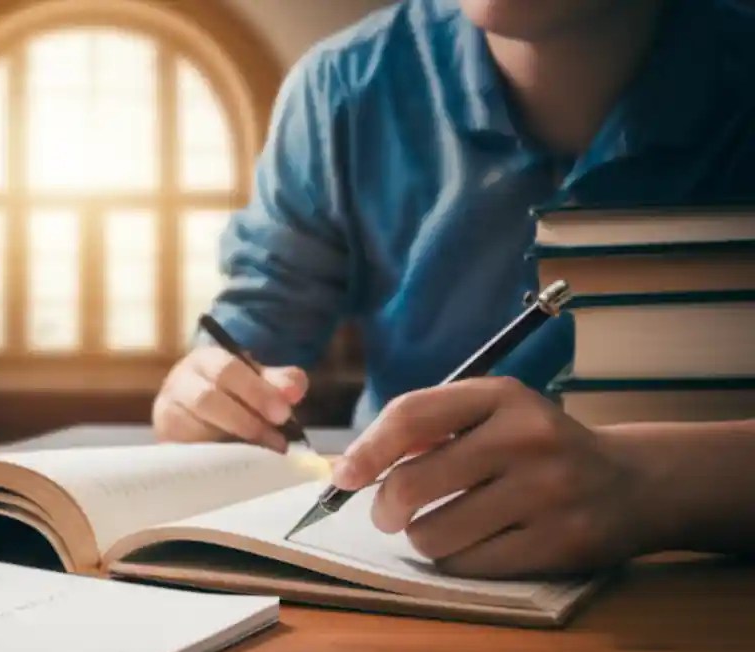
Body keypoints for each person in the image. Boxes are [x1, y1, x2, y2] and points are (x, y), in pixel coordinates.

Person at [152, 0, 755, 577]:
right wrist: (208, 397)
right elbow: (252, 342)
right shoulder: (343, 87)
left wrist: (643, 483)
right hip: (408, 558)